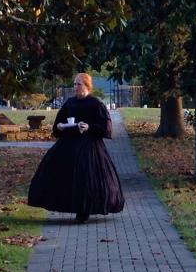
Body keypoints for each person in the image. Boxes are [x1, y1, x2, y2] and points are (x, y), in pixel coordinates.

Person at [27, 72, 125, 222]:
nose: (75, 87)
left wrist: (89, 127)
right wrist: (60, 126)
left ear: (87, 86)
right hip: (68, 143)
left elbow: (105, 127)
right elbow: (58, 124)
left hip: (89, 145)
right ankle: (66, 205)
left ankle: (84, 210)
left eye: (78, 84)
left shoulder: (95, 104)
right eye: (74, 84)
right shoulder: (69, 103)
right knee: (60, 173)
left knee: (86, 176)